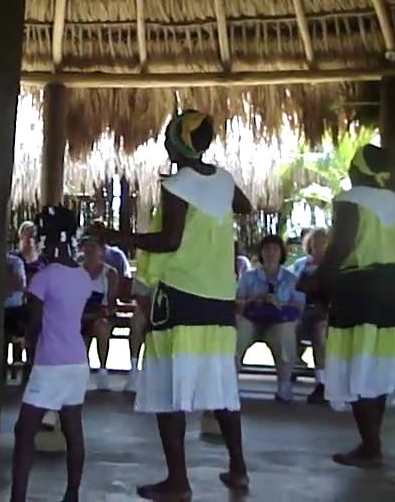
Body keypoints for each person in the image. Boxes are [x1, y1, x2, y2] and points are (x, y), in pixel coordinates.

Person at [101, 109, 252, 500]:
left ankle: (178, 482)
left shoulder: (177, 185)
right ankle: (238, 468)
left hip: (182, 294)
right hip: (219, 296)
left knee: (170, 389)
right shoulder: (223, 180)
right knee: (219, 384)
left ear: (177, 143)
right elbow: (245, 207)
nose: (166, 144)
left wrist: (118, 235)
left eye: (169, 138)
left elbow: (169, 240)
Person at [303, 145, 395, 469]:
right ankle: (371, 442)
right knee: (378, 371)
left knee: (359, 369)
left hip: (360, 292)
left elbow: (340, 247)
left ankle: (371, 447)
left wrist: (318, 280)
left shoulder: (350, 200)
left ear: (358, 171)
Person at [10, 231, 93, 502]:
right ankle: (72, 494)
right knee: (73, 429)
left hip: (50, 362)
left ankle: (17, 498)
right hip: (77, 360)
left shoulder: (43, 277)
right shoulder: (82, 276)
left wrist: (27, 341)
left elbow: (34, 321)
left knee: (24, 431)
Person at [235, 235, 301, 402]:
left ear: (281, 253)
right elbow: (236, 303)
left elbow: (300, 307)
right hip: (252, 320)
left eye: (275, 249)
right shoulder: (248, 277)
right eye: (267, 249)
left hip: (278, 321)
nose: (271, 253)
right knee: (239, 328)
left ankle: (284, 387)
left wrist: (279, 305)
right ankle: (230, 385)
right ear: (261, 253)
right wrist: (254, 299)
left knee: (286, 332)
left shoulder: (291, 279)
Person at [293, 228, 330, 403]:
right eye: (315, 246)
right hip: (302, 311)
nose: (319, 250)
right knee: (291, 328)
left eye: (323, 246)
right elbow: (292, 286)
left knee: (319, 334)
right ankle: (293, 366)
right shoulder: (302, 265)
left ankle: (322, 383)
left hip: (326, 315)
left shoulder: (335, 267)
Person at [79, 234, 120, 391]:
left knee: (102, 327)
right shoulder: (77, 271)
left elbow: (111, 303)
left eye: (93, 247)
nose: (89, 251)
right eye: (86, 246)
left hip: (100, 314)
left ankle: (102, 370)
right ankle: (82, 372)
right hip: (80, 314)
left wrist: (101, 313)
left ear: (101, 250)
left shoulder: (110, 273)